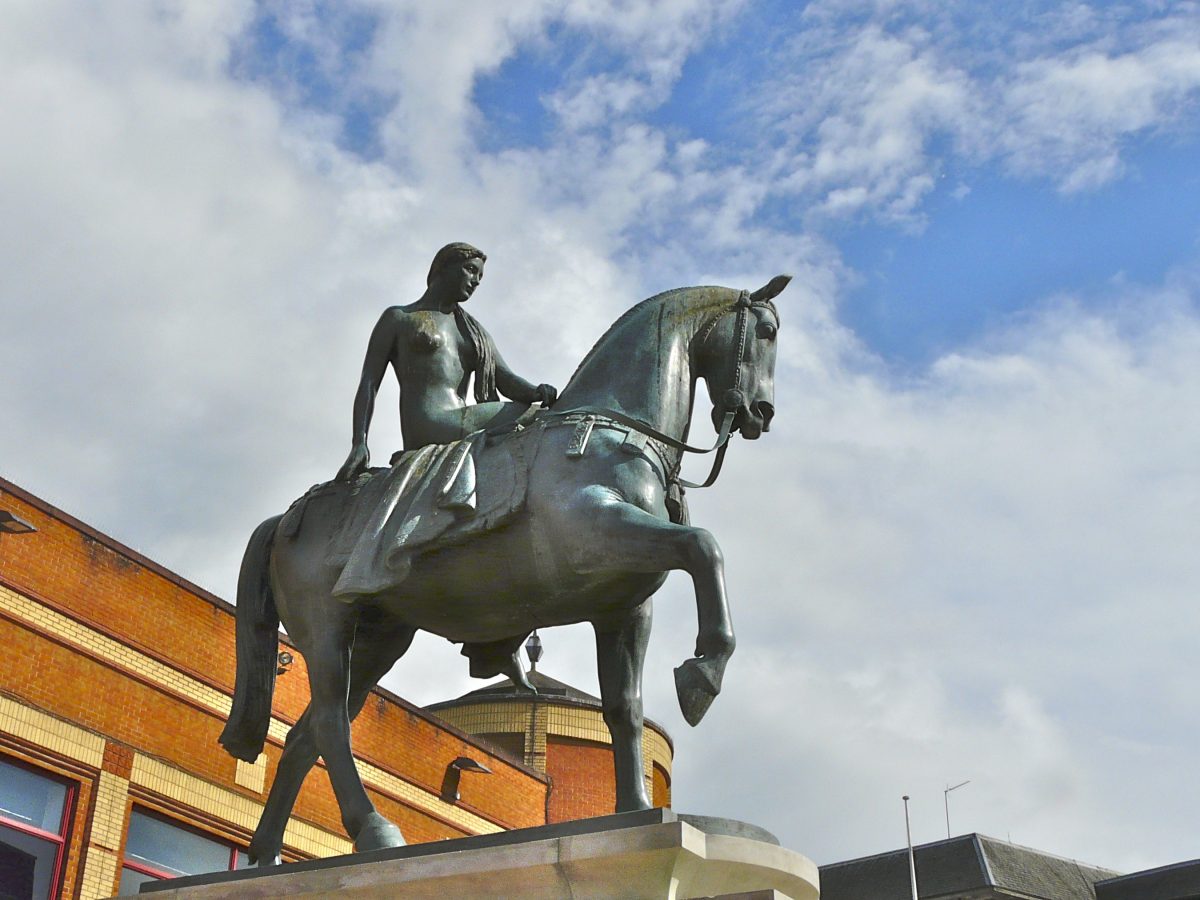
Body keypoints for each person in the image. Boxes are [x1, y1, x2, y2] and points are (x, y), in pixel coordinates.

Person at [336, 243, 557, 482]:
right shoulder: (399, 317)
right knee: (535, 415)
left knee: (541, 412)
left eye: (480, 276)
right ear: (444, 267)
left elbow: (505, 380)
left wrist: (536, 391)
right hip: (429, 422)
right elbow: (369, 382)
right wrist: (359, 442)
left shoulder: (473, 331)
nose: (476, 281)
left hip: (463, 417)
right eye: (471, 270)